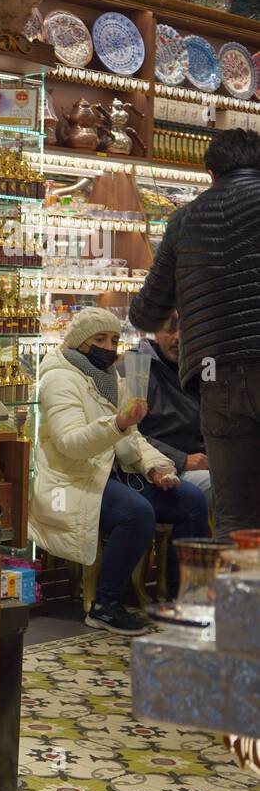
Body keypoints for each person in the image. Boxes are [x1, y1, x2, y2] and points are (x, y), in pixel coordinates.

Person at [28, 307, 210, 635]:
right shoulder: (59, 378)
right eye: (99, 338)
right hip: (72, 480)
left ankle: (182, 596)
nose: (108, 346)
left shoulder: (111, 378)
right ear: (81, 341)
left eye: (113, 339)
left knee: (192, 500)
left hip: (116, 474)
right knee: (136, 512)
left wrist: (156, 467)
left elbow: (133, 438)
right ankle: (105, 606)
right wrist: (117, 423)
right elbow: (70, 443)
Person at [130, 128, 260, 535]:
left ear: (210, 174)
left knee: (235, 515)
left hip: (214, 374)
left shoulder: (184, 220)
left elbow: (148, 311)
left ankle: (239, 602)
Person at [127, 311, 212, 503]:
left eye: (185, 329)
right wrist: (182, 460)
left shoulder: (204, 366)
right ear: (155, 333)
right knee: (222, 489)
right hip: (161, 467)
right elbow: (129, 433)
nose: (178, 337)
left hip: (206, 460)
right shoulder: (138, 369)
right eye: (170, 330)